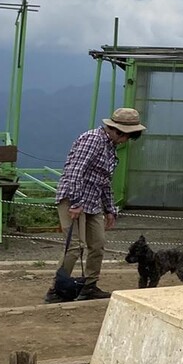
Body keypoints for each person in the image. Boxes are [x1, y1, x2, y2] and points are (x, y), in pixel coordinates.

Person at [51, 106, 145, 300]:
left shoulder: (111, 146)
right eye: (124, 134)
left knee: (98, 243)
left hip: (93, 201)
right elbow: (75, 171)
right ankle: (57, 289)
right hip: (73, 198)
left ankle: (89, 286)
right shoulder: (92, 139)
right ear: (114, 129)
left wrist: (110, 209)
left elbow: (104, 181)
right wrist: (75, 202)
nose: (125, 139)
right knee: (75, 245)